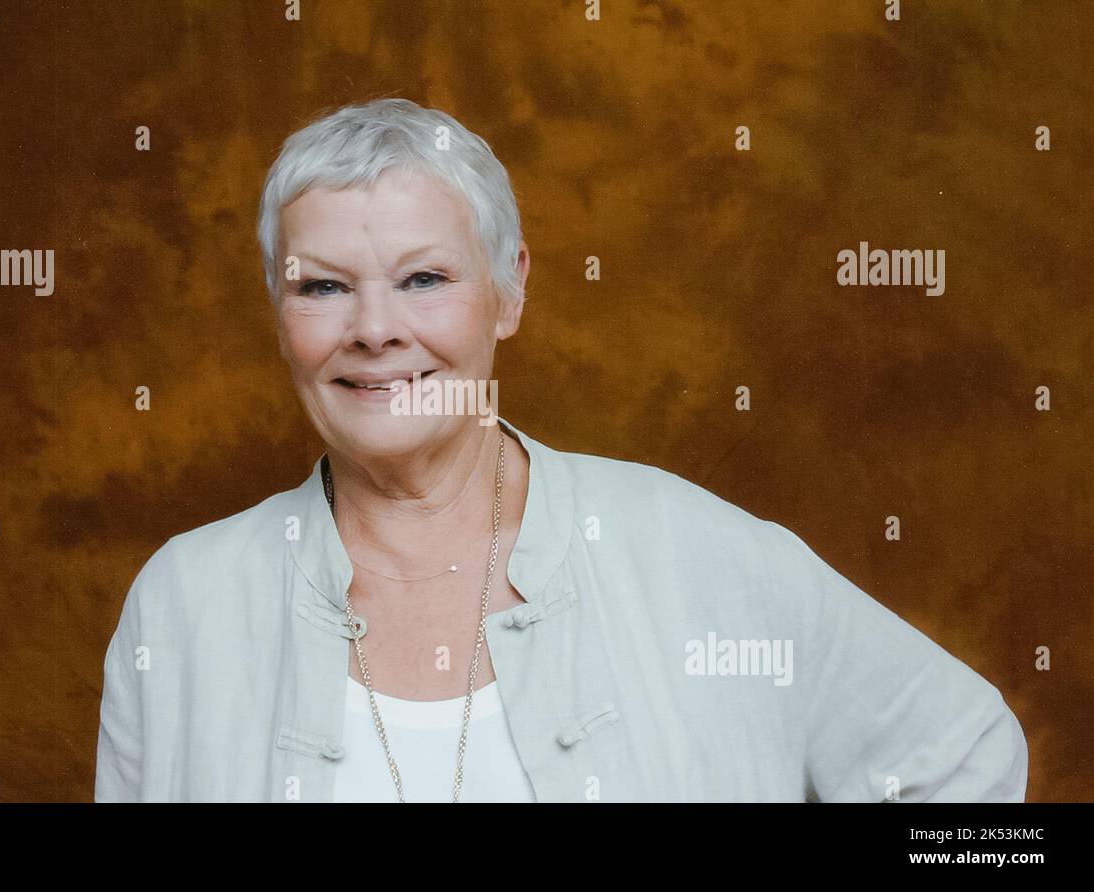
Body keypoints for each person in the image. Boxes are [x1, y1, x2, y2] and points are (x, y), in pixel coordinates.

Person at [94, 97, 1028, 802]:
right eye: (324, 287)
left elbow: (966, 761)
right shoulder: (182, 606)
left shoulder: (695, 553)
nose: (375, 330)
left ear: (508, 291)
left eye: (425, 278)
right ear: (279, 310)